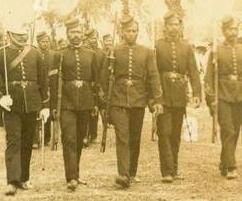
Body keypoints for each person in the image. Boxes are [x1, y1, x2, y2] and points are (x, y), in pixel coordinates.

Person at [0, 21, 50, 195]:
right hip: (11, 104)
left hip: (31, 103)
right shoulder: (1, 54)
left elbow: (43, 81)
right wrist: (0, 98)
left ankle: (24, 178)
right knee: (14, 140)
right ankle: (12, 181)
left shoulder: (35, 53)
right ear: (10, 34)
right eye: (19, 34)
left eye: (24, 34)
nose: (22, 37)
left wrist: (45, 106)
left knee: (27, 141)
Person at [99, 17, 161, 188]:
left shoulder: (147, 52)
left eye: (134, 31)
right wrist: (106, 101)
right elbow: (104, 78)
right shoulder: (114, 52)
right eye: (128, 31)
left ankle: (132, 172)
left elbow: (153, 76)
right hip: (118, 100)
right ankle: (123, 174)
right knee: (123, 136)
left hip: (138, 99)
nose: (131, 34)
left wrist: (156, 99)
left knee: (134, 137)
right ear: (122, 32)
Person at [205, 17, 242, 179]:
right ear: (223, 31)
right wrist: (211, 98)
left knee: (234, 130)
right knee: (227, 129)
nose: (233, 32)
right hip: (222, 94)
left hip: (238, 94)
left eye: (235, 29)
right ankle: (231, 166)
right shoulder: (216, 51)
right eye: (229, 29)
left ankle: (224, 161)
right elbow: (209, 77)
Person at [52, 18, 100, 191]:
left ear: (82, 33)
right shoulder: (59, 54)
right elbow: (53, 81)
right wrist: (53, 106)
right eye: (72, 32)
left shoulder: (91, 54)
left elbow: (96, 81)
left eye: (79, 32)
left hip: (86, 102)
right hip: (66, 102)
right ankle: (71, 177)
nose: (76, 35)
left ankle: (76, 174)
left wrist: (95, 102)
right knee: (69, 138)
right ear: (67, 34)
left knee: (79, 138)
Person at [154, 13, 203, 183]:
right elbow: (153, 74)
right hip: (164, 94)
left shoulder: (187, 47)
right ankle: (166, 172)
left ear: (180, 26)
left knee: (175, 133)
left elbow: (193, 71)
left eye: (177, 24)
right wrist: (155, 97)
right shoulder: (158, 46)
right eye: (170, 24)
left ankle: (174, 169)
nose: (174, 27)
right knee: (164, 132)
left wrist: (197, 93)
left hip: (180, 95)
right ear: (165, 26)